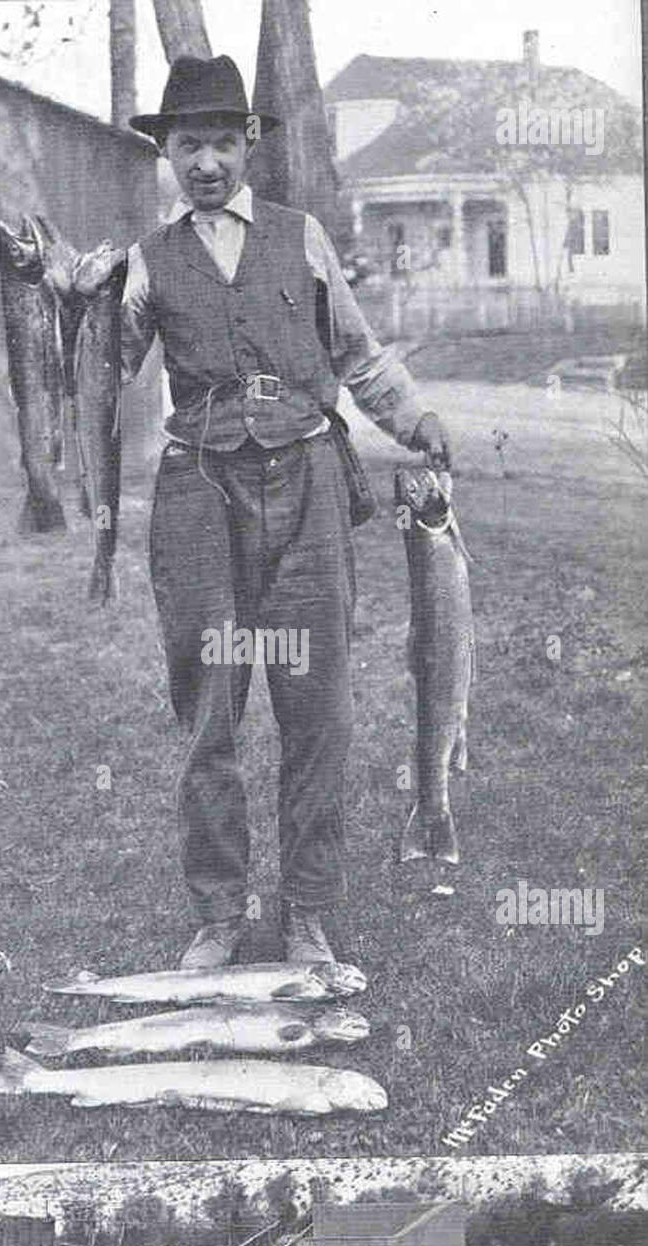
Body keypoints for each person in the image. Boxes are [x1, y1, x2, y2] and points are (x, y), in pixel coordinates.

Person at [123, 55, 451, 970]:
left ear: (249, 146)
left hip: (306, 486)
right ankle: (221, 912)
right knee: (209, 706)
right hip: (198, 496)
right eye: (186, 146)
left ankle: (306, 910)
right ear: (167, 153)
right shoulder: (148, 262)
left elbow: (359, 353)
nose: (205, 164)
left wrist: (415, 419)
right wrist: (73, 301)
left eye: (221, 143)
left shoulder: (298, 236)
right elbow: (101, 369)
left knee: (315, 705)